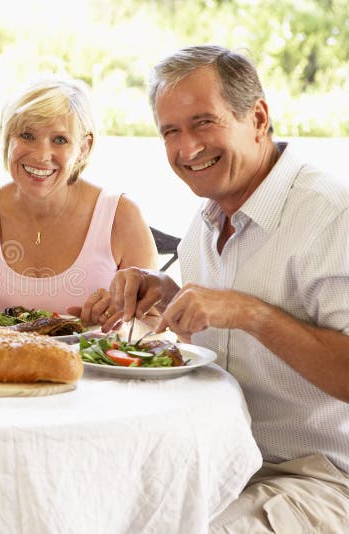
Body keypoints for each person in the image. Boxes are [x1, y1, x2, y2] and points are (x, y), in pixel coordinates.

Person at [103, 45, 349, 532]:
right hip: (219, 463)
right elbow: (218, 325)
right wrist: (166, 293)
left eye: (203, 123)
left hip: (317, 476)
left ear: (257, 117)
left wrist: (250, 313)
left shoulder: (332, 213)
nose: (187, 148)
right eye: (170, 131)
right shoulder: (208, 217)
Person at [0, 76, 157, 326]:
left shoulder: (121, 215)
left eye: (60, 140)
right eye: (26, 135)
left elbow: (155, 325)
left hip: (90, 366)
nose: (41, 156)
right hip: (0, 364)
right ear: (8, 138)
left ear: (84, 148)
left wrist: (119, 320)